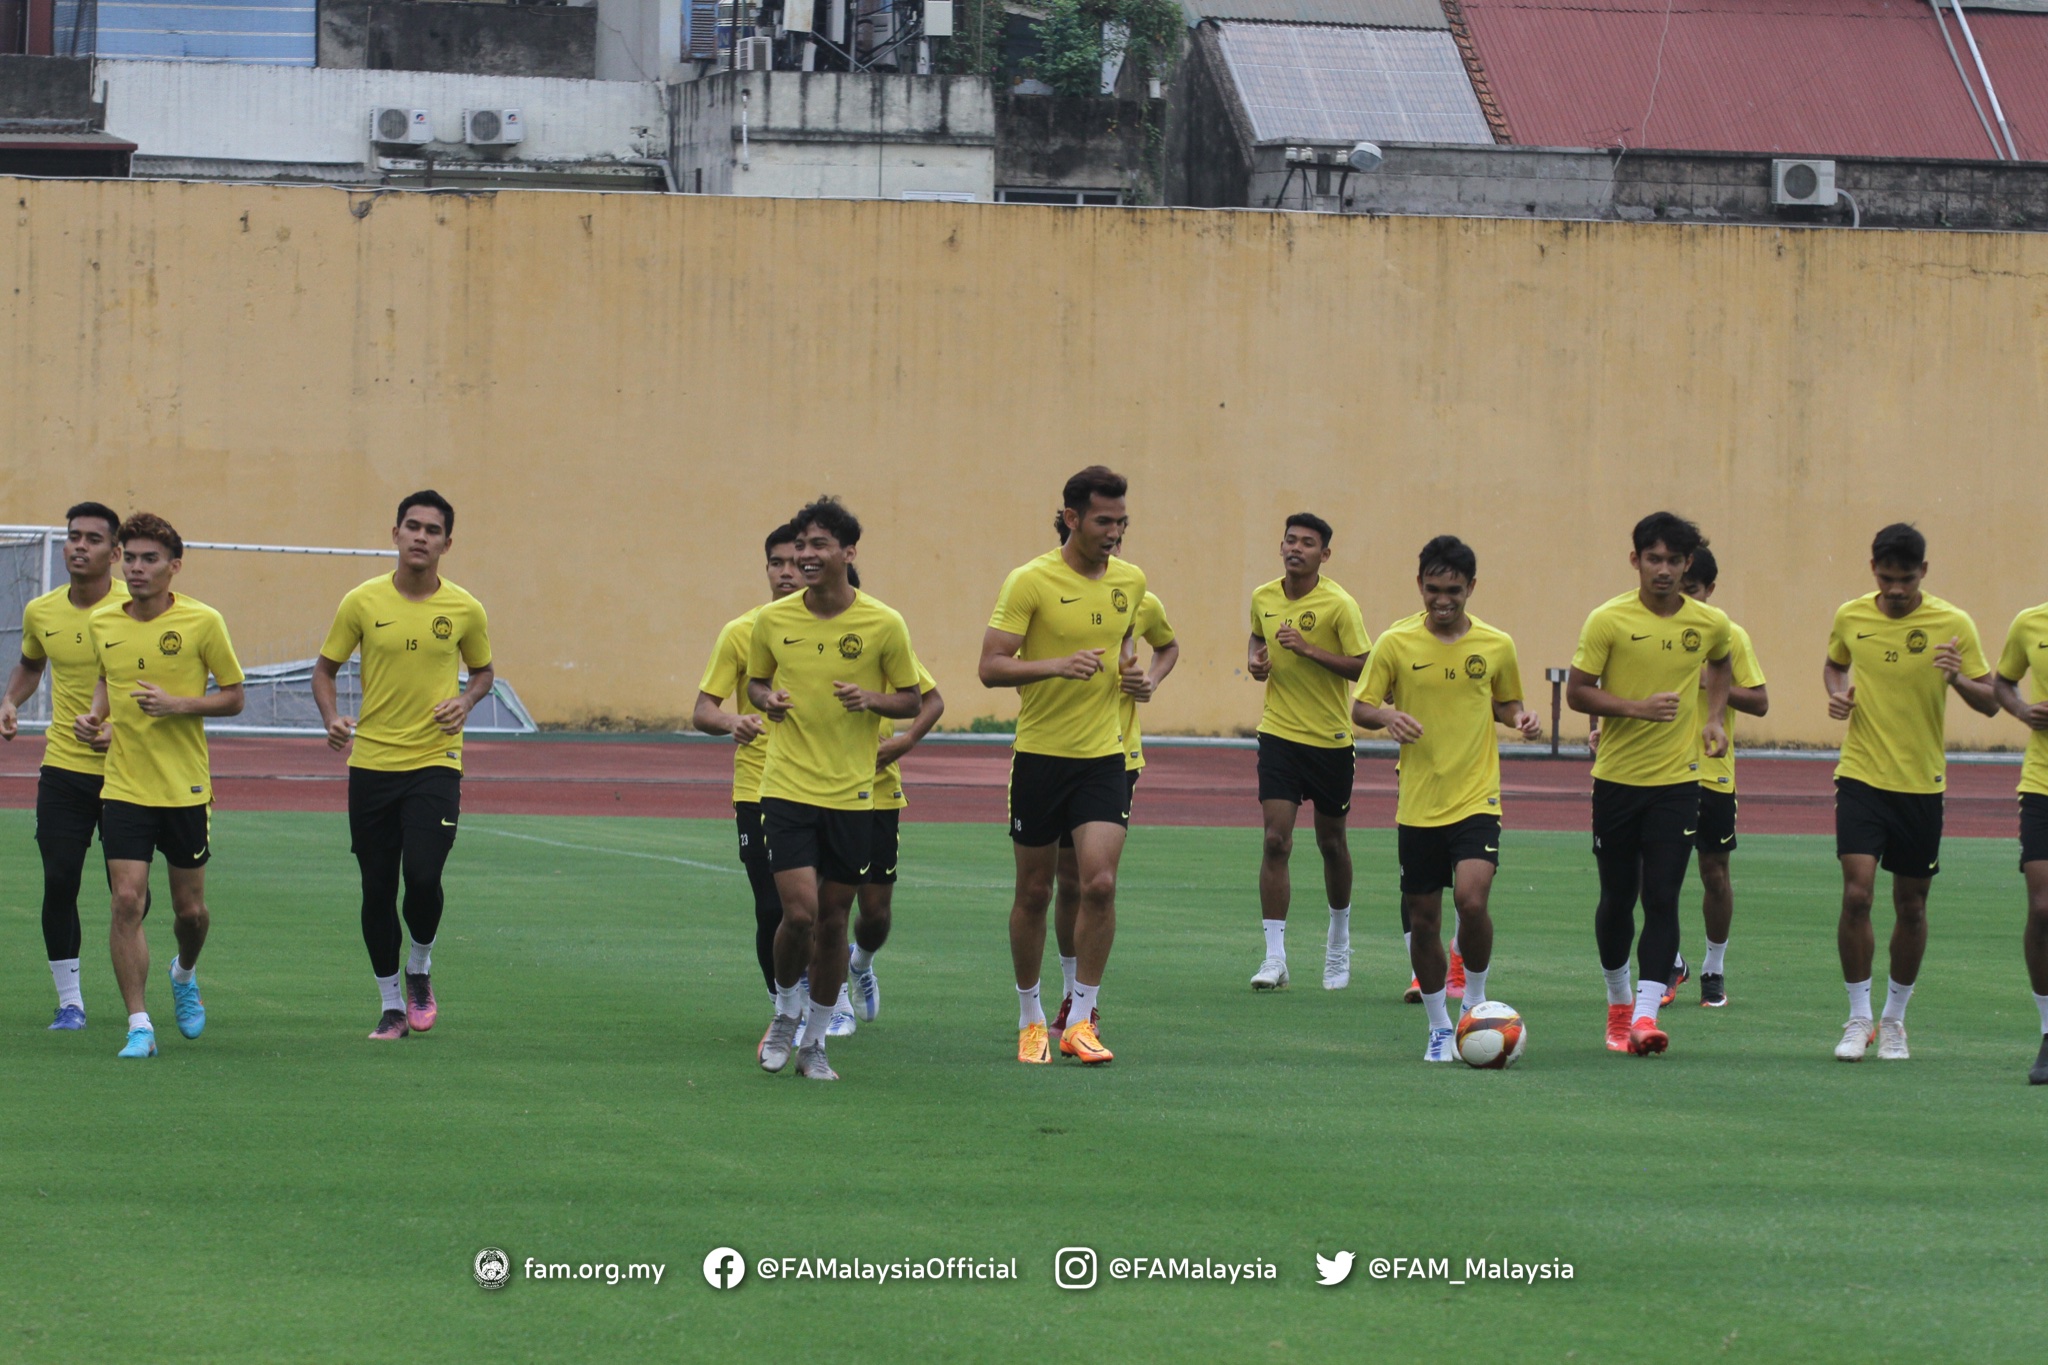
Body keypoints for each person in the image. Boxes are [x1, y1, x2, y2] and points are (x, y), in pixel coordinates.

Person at [747, 498, 921, 1082]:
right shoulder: (773, 621)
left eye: (818, 545)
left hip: (853, 794)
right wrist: (766, 699)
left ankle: (816, 1042)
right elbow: (756, 682)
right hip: (787, 785)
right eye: (801, 545)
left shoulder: (883, 623)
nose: (805, 555)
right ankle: (784, 1013)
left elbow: (913, 699)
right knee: (798, 914)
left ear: (848, 552)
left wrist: (872, 699)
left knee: (832, 923)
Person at [313, 491, 495, 1041]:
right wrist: (332, 718)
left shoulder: (465, 609)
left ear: (447, 543)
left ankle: (419, 965)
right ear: (395, 534)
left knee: (422, 875)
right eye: (412, 526)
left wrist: (465, 701)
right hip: (372, 763)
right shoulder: (361, 602)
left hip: (435, 760)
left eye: (432, 530)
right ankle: (391, 1005)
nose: (421, 537)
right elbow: (324, 671)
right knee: (376, 888)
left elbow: (483, 672)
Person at [980, 466, 1146, 1066]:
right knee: (1035, 892)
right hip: (1040, 758)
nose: (1114, 532)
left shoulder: (1131, 581)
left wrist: (1136, 676)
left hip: (1103, 757)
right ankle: (1029, 1018)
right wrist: (1055, 665)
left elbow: (1129, 649)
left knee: (1099, 884)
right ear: (1072, 518)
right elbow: (991, 666)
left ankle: (1080, 1020)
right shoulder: (1030, 580)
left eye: (1121, 522)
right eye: (1104, 521)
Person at [1354, 535, 1540, 1061]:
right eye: (1433, 589)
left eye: (1453, 591)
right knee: (1423, 920)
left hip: (1477, 797)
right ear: (1419, 584)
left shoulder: (1496, 644)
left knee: (1471, 901)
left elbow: (1506, 702)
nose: (1442, 600)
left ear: (1471, 587)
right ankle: (1439, 1026)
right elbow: (1361, 706)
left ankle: (1474, 1003)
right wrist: (1388, 715)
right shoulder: (1395, 642)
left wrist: (1521, 718)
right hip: (1419, 802)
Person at [77, 514, 246, 1060]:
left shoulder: (202, 621)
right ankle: (139, 1024)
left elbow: (234, 696)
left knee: (190, 912)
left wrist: (178, 705)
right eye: (129, 557)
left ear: (174, 566)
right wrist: (96, 717)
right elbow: (108, 677)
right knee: (126, 901)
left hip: (185, 789)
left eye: (149, 559)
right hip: (124, 786)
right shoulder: (103, 621)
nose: (137, 567)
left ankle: (184, 972)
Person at [1824, 523, 1995, 1062]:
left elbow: (1992, 701)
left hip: (1920, 784)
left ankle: (1895, 1020)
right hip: (1861, 776)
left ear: (1924, 572)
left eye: (1906, 579)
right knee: (1857, 895)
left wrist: (1957, 678)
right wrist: (1837, 694)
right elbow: (1835, 664)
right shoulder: (1851, 616)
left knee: (1912, 907)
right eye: (1886, 578)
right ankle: (1859, 1018)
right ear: (1873, 570)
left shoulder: (1953, 624)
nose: (1896, 589)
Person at [1566, 512, 1732, 1058]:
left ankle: (1644, 1016)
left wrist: (1714, 718)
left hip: (1678, 783)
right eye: (1653, 559)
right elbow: (1578, 692)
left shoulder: (1709, 622)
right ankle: (1617, 1005)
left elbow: (1722, 662)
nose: (1663, 570)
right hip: (1616, 780)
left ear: (1688, 565)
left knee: (1663, 896)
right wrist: (1636, 708)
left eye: (1674, 561)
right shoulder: (1608, 620)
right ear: (1635, 560)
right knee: (1618, 899)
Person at [1, 502, 129, 1030]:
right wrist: (11, 700)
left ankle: (154, 982)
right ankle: (70, 1000)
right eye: (73, 536)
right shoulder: (42, 611)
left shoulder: (137, 608)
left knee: (130, 895)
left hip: (128, 772)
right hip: (63, 769)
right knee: (59, 880)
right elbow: (31, 664)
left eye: (93, 539)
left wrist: (120, 728)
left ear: (115, 553)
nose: (79, 546)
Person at [1050, 582, 1178, 1049]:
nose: (1111, 549)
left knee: (1098, 883)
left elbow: (1168, 645)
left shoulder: (1141, 597)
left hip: (1116, 758)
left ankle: (1084, 1009)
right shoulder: (1048, 593)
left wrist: (1151, 681)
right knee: (1067, 881)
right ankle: (1069, 991)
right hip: (1057, 753)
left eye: (1116, 543)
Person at [1245, 513, 1369, 991]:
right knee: (1275, 841)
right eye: (1291, 540)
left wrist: (1309, 649)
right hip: (1279, 735)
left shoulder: (1340, 604)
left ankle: (1338, 940)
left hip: (1330, 741)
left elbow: (1364, 666)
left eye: (1308, 543)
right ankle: (1274, 957)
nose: (1296, 548)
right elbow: (1258, 636)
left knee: (1331, 843)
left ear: (1325, 554)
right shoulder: (1263, 596)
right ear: (1281, 547)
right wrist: (1255, 660)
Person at [693, 523, 804, 1042]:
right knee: (771, 906)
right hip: (758, 786)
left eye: (796, 563)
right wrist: (732, 722)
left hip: (826, 785)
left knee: (824, 910)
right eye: (776, 563)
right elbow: (703, 710)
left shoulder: (851, 628)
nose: (786, 573)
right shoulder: (741, 631)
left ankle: (831, 991)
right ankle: (784, 1010)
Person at [1675, 548, 1768, 1007]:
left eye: (1692, 590)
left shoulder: (1729, 635)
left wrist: (1711, 683)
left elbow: (1760, 701)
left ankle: (1714, 966)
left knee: (1714, 872)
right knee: (1653, 875)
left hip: (1711, 772)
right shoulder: (1649, 630)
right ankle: (1669, 962)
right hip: (1657, 771)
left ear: (1710, 590)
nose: (1683, 597)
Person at [1992, 596, 2048, 1084]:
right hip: (2042, 785)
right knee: (2043, 909)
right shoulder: (2030, 622)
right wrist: (2025, 711)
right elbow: (2002, 682)